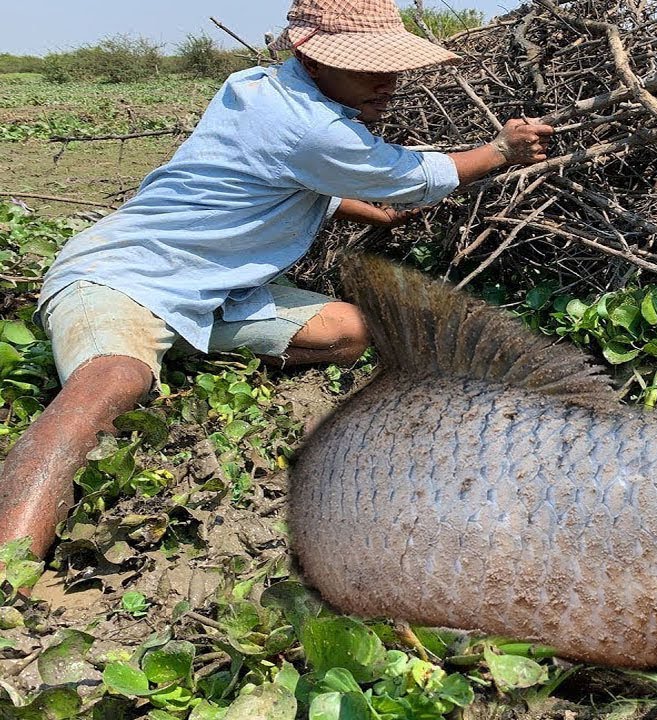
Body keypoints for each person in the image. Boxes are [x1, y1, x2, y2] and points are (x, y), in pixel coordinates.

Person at [0, 0, 554, 559]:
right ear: (310, 58)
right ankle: (10, 563)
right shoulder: (312, 127)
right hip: (122, 277)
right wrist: (501, 150)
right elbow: (412, 177)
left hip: (209, 292)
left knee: (349, 332)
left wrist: (370, 212)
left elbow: (279, 176)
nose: (387, 82)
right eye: (367, 66)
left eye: (392, 66)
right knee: (110, 384)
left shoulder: (258, 87)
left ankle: (178, 350)